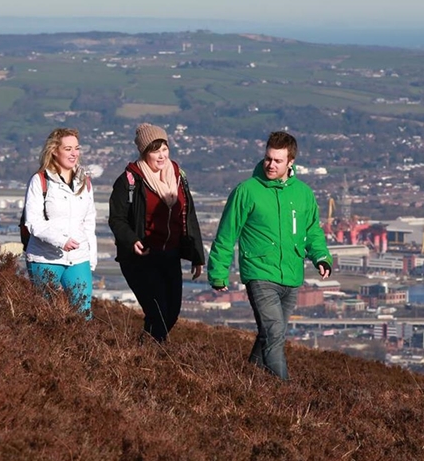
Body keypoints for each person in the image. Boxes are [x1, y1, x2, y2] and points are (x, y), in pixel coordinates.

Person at [207, 131, 332, 381]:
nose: (271, 165)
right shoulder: (247, 191)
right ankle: (285, 392)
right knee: (274, 334)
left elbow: (312, 231)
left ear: (291, 162)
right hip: (260, 272)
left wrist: (321, 257)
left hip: (291, 275)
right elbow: (226, 233)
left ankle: (248, 380)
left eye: (277, 160)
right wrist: (218, 273)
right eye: (268, 158)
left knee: (271, 334)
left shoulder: (303, 194)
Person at [109, 123, 205, 343]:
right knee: (158, 312)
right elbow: (116, 218)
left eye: (164, 149)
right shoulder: (129, 181)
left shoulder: (178, 176)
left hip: (170, 255)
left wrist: (197, 255)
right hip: (141, 257)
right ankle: (148, 355)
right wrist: (131, 240)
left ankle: (141, 350)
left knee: (172, 313)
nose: (161, 156)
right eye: (155, 151)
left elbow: (188, 215)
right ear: (144, 152)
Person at [23, 128, 98, 318]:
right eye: (68, 149)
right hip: (45, 258)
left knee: (83, 314)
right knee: (45, 314)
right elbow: (33, 222)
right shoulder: (40, 181)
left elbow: (89, 222)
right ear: (54, 151)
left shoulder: (85, 182)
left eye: (76, 148)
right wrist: (61, 240)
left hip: (79, 258)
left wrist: (91, 258)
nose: (74, 153)